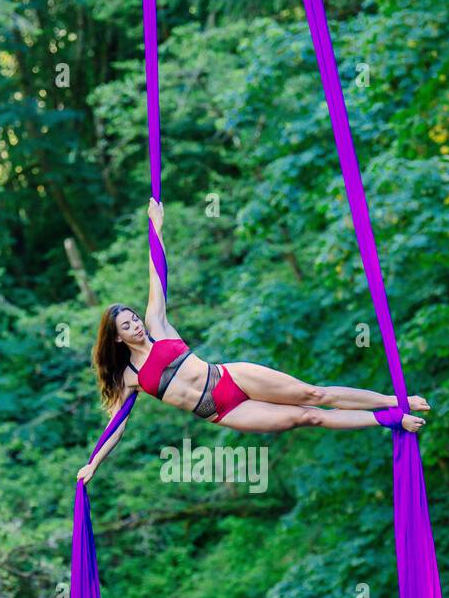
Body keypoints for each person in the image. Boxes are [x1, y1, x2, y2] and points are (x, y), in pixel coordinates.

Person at [77, 199, 427, 484]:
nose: (136, 325)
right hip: (223, 411)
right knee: (308, 417)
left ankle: (397, 401)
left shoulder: (158, 325)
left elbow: (157, 271)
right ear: (118, 338)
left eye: (134, 318)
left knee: (315, 394)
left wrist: (156, 227)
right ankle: (392, 418)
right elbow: (117, 425)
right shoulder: (129, 378)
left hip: (231, 377)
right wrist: (94, 463)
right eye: (127, 325)